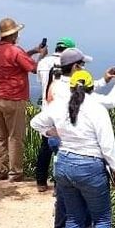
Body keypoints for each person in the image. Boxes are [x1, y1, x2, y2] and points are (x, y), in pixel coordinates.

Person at [31, 59, 115, 228]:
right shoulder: (97, 109)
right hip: (90, 166)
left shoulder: (60, 105)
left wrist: (53, 133)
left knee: (73, 217)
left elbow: (36, 123)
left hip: (64, 163)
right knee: (101, 219)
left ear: (71, 87)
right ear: (91, 87)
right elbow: (107, 145)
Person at [38, 48, 115, 228]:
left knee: (67, 191)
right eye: (83, 65)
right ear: (77, 66)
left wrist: (104, 80)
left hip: (65, 144)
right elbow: (105, 101)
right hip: (79, 146)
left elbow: (83, 90)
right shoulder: (70, 92)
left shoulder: (59, 84)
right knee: (83, 197)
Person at [0, 18, 47, 182]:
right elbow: (34, 68)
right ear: (13, 34)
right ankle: (15, 172)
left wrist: (33, 51)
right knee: (15, 137)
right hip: (14, 98)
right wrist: (41, 56)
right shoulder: (15, 50)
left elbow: (13, 61)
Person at [33, 37, 76, 193]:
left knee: (45, 146)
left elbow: (41, 82)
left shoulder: (43, 62)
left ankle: (41, 182)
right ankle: (59, 185)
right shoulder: (69, 65)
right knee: (63, 149)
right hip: (62, 110)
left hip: (46, 108)